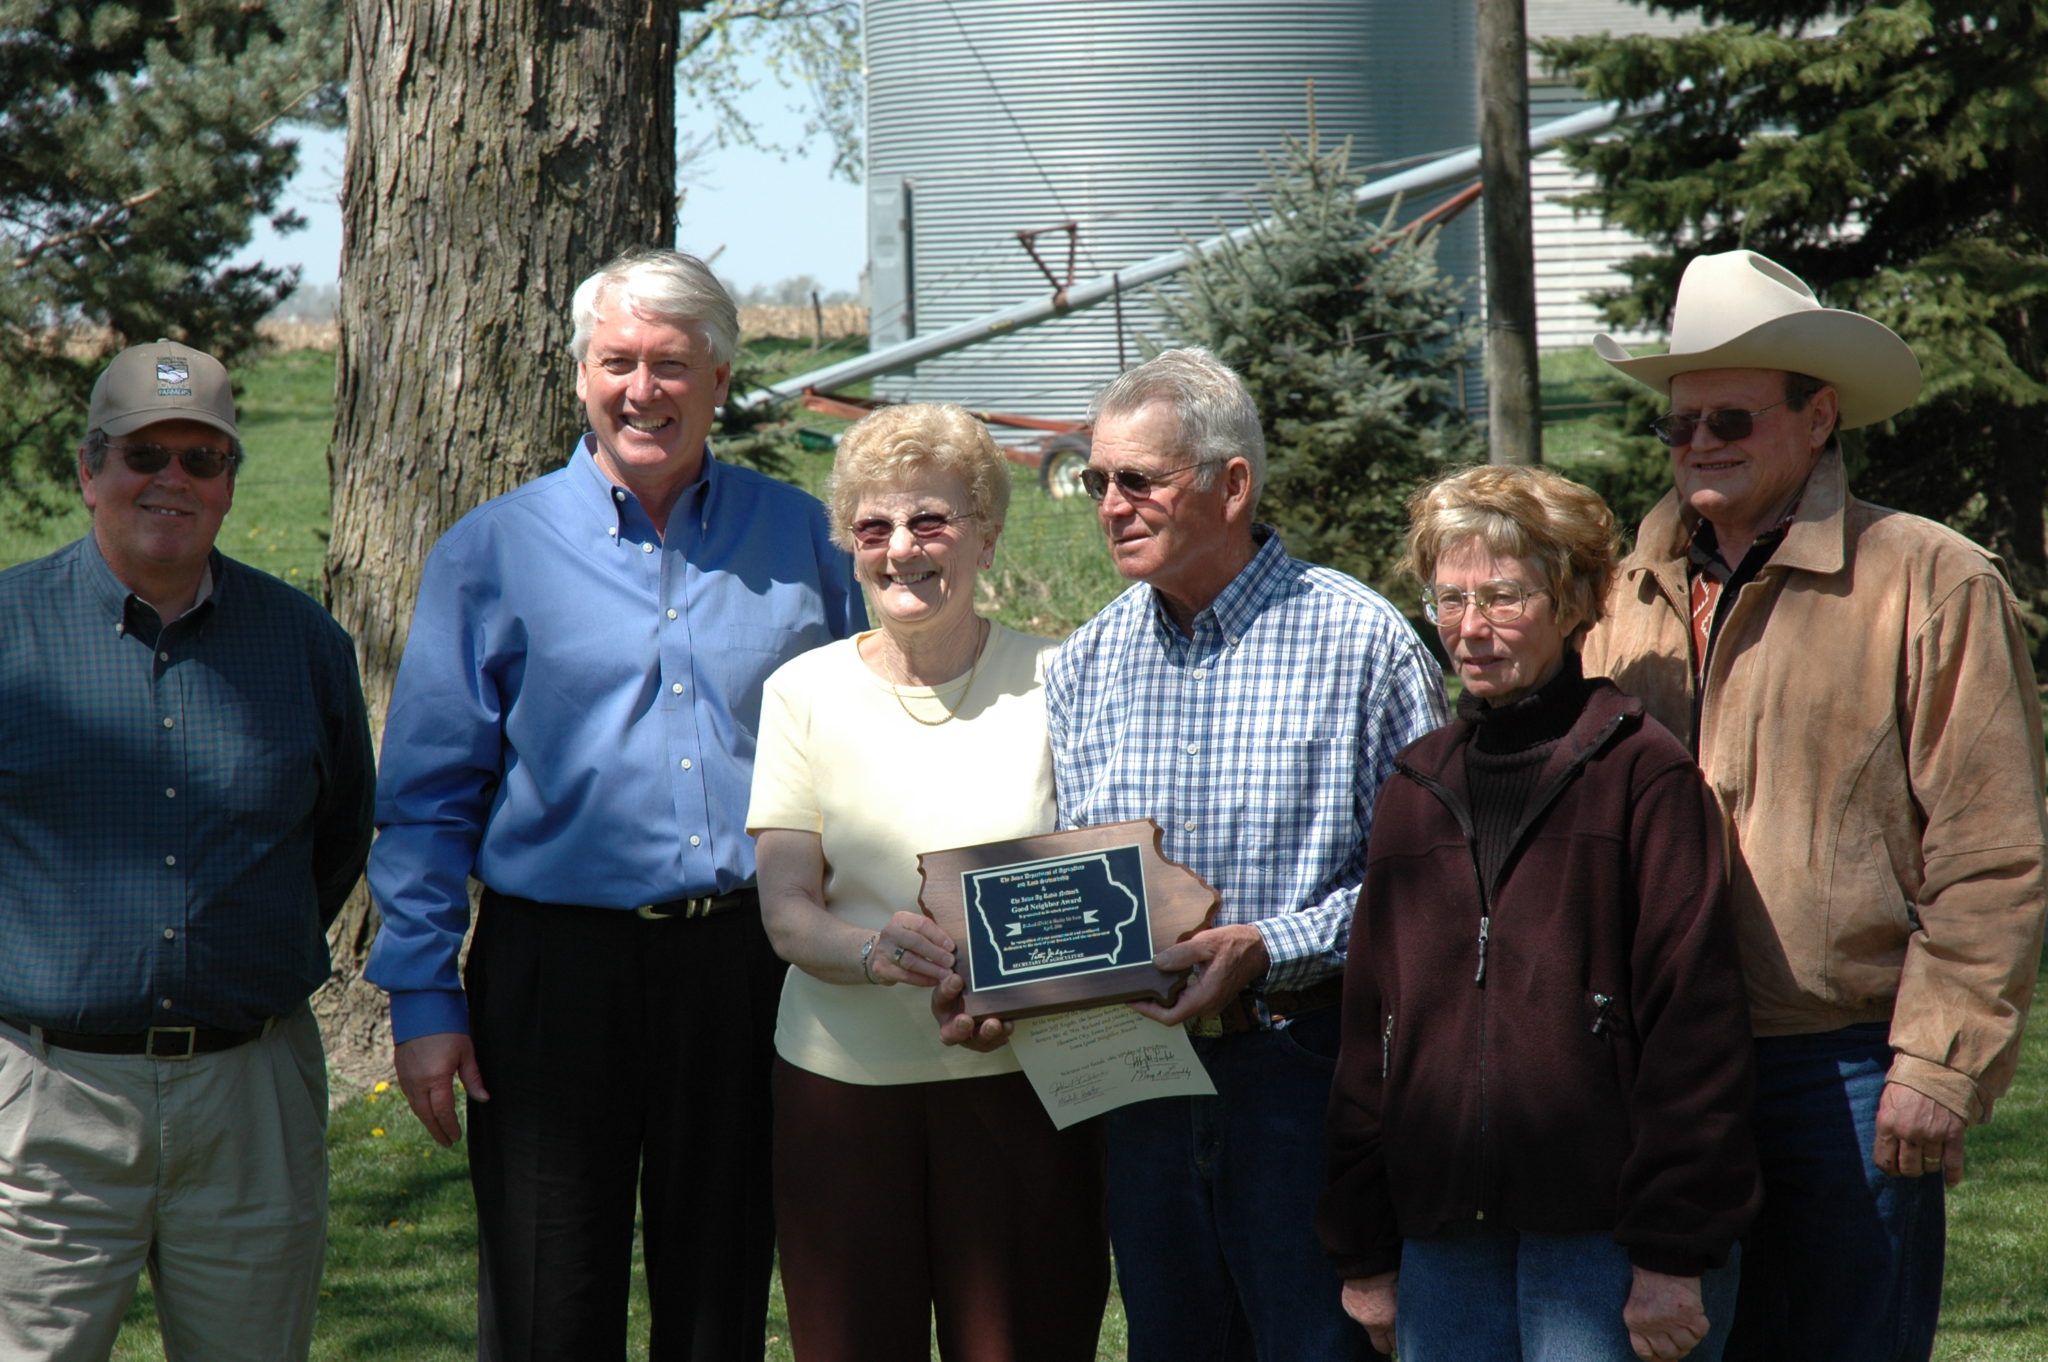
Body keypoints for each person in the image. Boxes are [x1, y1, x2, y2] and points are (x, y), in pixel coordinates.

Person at [365, 247, 864, 1362]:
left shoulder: (805, 544)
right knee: (549, 1300)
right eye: (618, 360)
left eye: (673, 364)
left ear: (722, 378)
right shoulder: (492, 550)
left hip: (745, 968)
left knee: (719, 1298)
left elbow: (863, 742)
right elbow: (428, 801)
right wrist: (421, 999)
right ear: (581, 374)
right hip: (553, 975)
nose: (644, 388)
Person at [1582, 248, 2048, 1362]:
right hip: (1647, 1061)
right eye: (1678, 424)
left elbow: (1990, 849)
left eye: (1729, 420)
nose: (1696, 443)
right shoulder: (1614, 586)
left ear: (1817, 416)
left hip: (1838, 1060)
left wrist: (1938, 1062)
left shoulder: (1928, 579)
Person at [942, 346, 1446, 1362]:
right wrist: (1009, 985)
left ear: (1231, 484)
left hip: (1304, 1074)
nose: (1109, 504)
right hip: (1140, 1080)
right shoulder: (1089, 659)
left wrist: (1267, 943)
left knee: (1315, 1347)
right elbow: (1089, 897)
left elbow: (1428, 886)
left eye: (1137, 479)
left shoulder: (1360, 641)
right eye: (1096, 481)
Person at [1317, 464, 1760, 1362]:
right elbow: (1371, 1037)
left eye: (1504, 597)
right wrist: (1363, 1248)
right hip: (1444, 1242)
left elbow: (1694, 1028)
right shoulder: (1415, 787)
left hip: (1603, 1240)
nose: (1471, 630)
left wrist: (1675, 1253)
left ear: (1573, 603)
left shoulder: (1642, 776)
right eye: (1449, 601)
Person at [0, 340, 375, 1361]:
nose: (171, 479)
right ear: (88, 471)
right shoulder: (7, 631)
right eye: (143, 453)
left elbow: (336, 832)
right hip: (45, 1097)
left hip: (248, 1093)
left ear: (227, 484)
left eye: (201, 459)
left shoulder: (303, 644)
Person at [748, 403, 1109, 1362]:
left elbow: (1092, 893)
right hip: (840, 1092)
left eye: (931, 521)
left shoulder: (1062, 680)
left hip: (1023, 1089)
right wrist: (870, 951)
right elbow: (787, 909)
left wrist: (1024, 996)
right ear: (850, 547)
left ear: (986, 534)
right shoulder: (803, 693)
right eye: (874, 528)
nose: (902, 549)